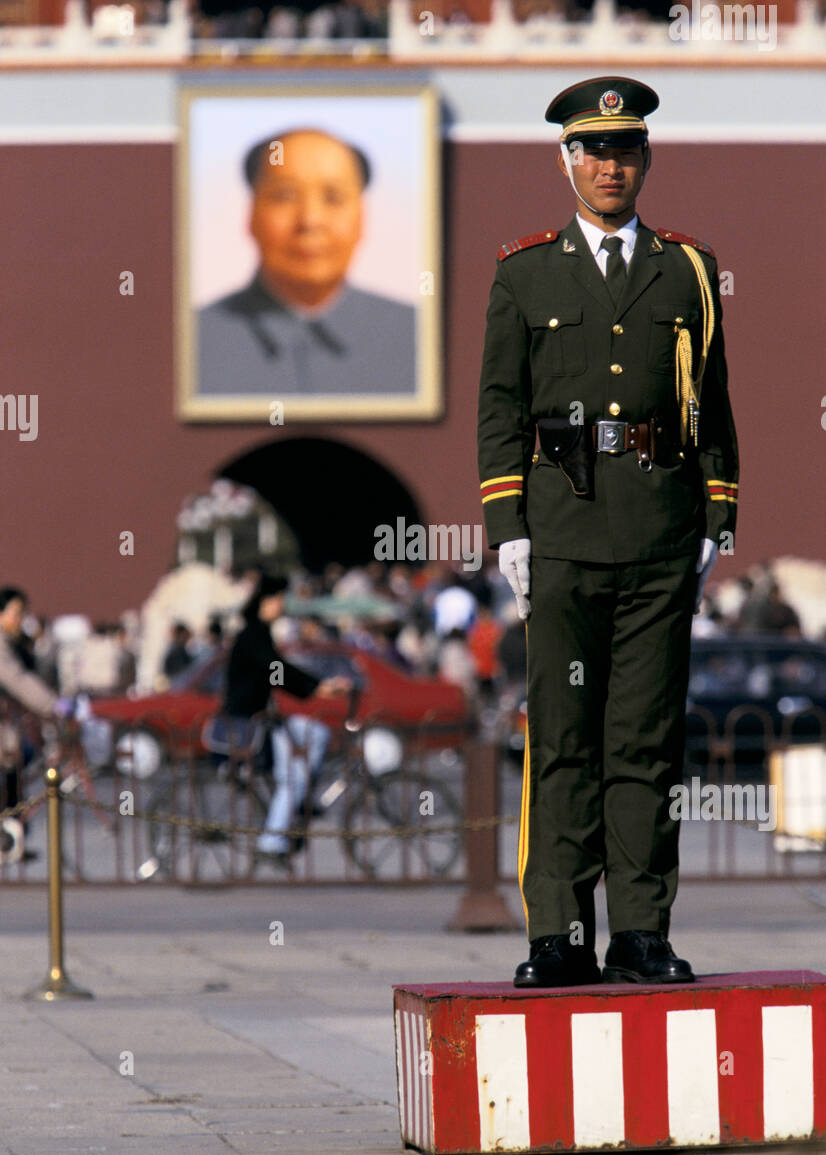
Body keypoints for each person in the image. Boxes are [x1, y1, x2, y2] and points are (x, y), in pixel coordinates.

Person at [477, 76, 739, 987]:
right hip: (563, 534)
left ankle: (639, 929)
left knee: (645, 739)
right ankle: (556, 931)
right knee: (562, 737)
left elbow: (713, 407)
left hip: (662, 536)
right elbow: (501, 410)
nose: (609, 165)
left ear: (647, 160)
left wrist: (717, 518)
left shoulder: (689, 270)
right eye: (591, 150)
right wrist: (509, 528)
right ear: (566, 162)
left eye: (624, 150)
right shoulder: (524, 273)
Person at [197, 128, 417, 397]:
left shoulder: (416, 338)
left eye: (334, 198)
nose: (310, 221)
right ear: (251, 214)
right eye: (284, 196)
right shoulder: (193, 341)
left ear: (362, 218)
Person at [220, 572, 351, 866]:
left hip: (265, 718)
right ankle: (272, 840)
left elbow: (277, 671)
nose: (282, 604)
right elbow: (276, 667)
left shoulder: (259, 633)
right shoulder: (252, 634)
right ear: (264, 602)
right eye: (278, 598)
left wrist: (315, 686)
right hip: (251, 722)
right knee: (291, 779)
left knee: (317, 733)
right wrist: (318, 686)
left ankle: (301, 801)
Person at [0, 587, 73, 862]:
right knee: (11, 769)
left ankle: (12, 836)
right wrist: (53, 705)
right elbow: (17, 680)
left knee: (17, 770)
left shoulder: (17, 643)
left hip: (11, 725)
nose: (20, 620)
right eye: (16, 613)